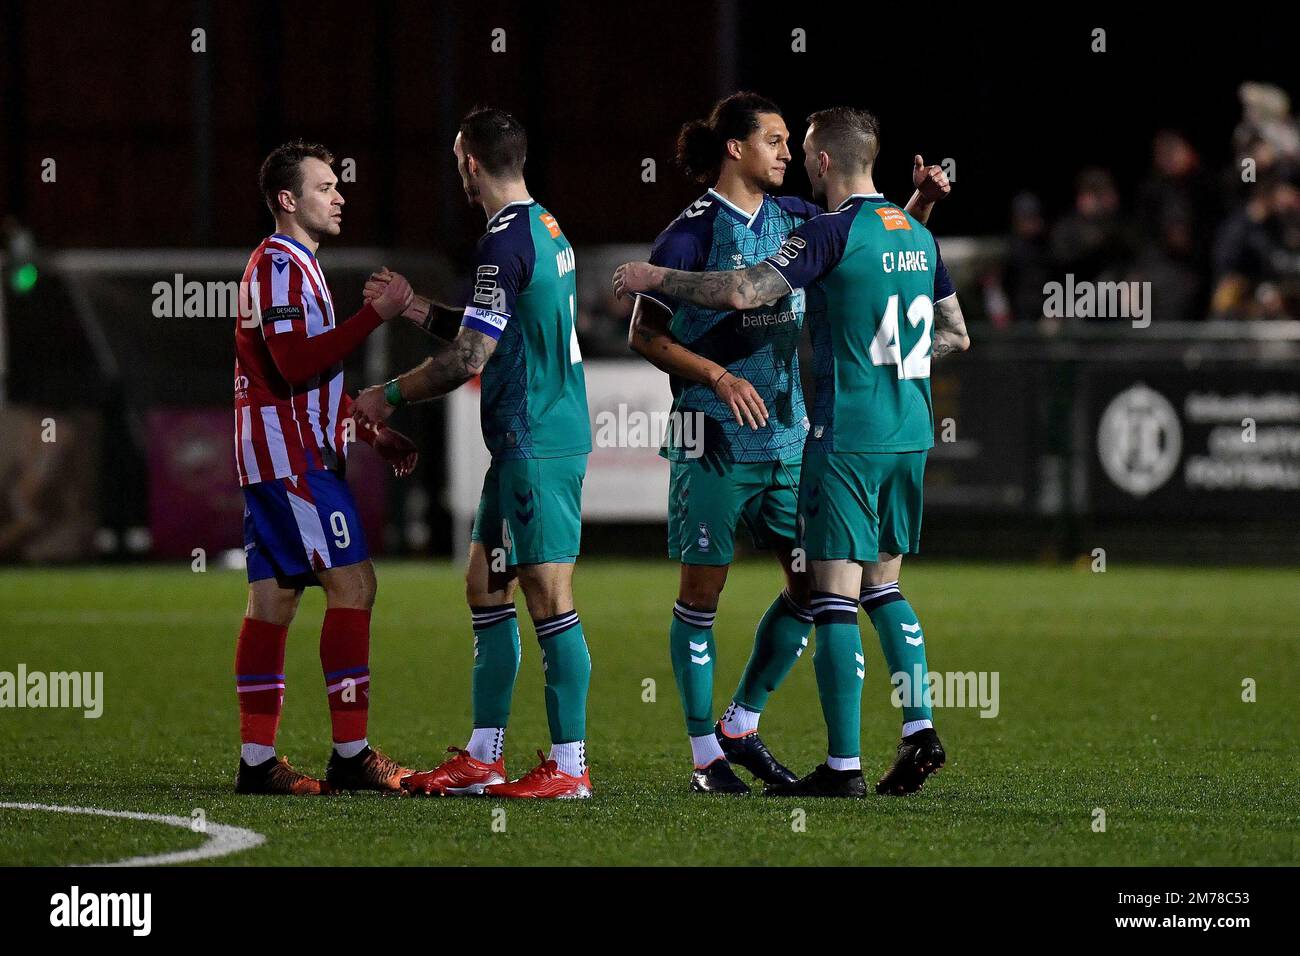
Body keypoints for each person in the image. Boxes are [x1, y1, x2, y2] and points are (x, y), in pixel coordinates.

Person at [614, 107, 970, 797]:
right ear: (735, 147)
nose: (787, 155)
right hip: (710, 435)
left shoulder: (801, 217)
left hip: (793, 435)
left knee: (814, 589)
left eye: (793, 144)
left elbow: (865, 248)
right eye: (773, 141)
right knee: (704, 594)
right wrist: (716, 376)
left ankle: (743, 723)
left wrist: (917, 206)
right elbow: (643, 335)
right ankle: (706, 755)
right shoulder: (688, 232)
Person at [352, 109, 595, 799]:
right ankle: (484, 757)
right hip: (522, 442)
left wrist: (387, 395)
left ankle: (570, 766)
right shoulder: (541, 226)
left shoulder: (503, 242)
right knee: (487, 586)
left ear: (470, 162)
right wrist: (413, 307)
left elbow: (468, 358)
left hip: (537, 442)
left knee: (549, 595)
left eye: (457, 157)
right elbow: (488, 327)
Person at [232, 140, 418, 795]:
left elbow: (313, 375)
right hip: (292, 460)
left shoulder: (297, 266)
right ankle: (351, 754)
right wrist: (376, 315)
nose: (339, 196)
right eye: (324, 187)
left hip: (281, 456)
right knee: (355, 585)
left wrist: (370, 431)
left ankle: (257, 763)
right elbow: (292, 364)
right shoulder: (279, 265)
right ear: (287, 199)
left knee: (274, 600)